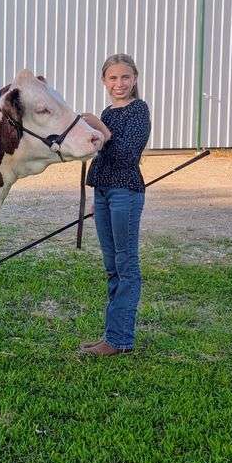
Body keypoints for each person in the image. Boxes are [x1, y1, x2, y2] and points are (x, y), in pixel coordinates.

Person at [79, 53, 151, 356]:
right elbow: (102, 157)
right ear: (104, 81)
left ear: (134, 79)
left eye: (125, 77)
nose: (119, 83)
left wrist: (99, 128)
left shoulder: (138, 110)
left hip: (126, 193)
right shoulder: (107, 111)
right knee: (112, 266)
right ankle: (112, 335)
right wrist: (93, 197)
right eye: (113, 78)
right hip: (105, 193)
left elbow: (125, 156)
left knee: (126, 266)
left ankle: (120, 340)